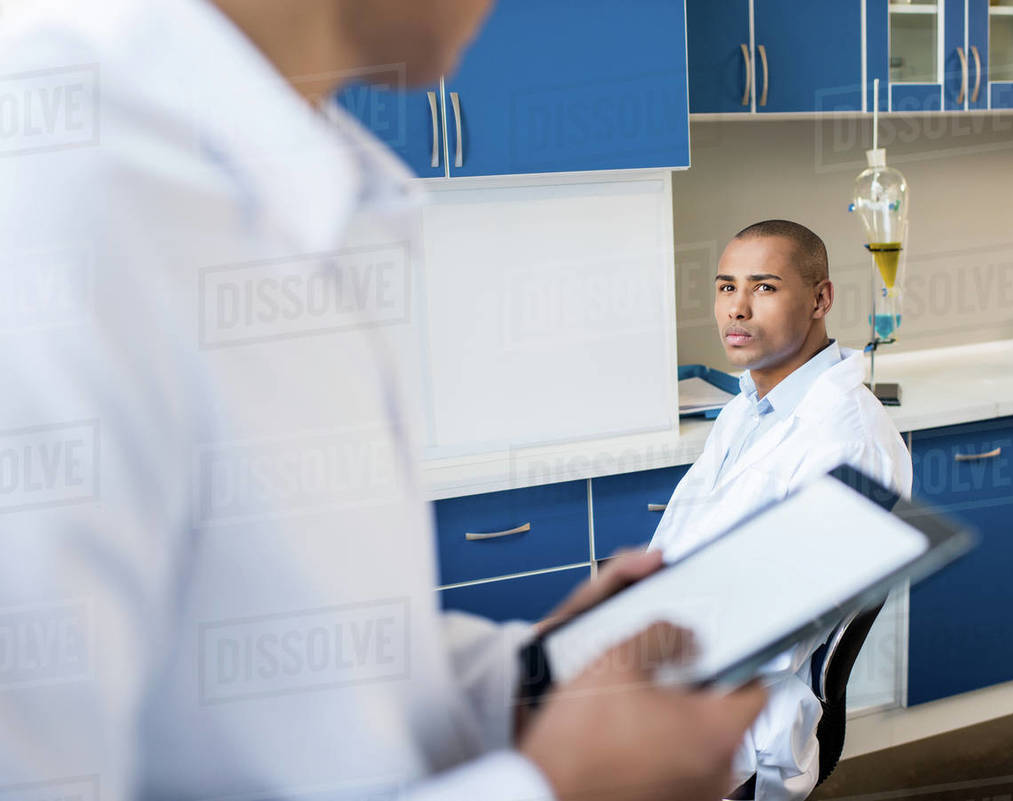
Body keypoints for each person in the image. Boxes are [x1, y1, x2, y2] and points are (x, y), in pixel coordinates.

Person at [0, 2, 766, 800]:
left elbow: (299, 684)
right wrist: (557, 787)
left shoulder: (303, 190)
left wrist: (533, 675)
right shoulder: (53, 177)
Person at [649, 219, 913, 800]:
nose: (736, 310)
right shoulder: (749, 404)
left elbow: (770, 639)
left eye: (763, 288)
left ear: (821, 299)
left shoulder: (848, 442)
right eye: (726, 287)